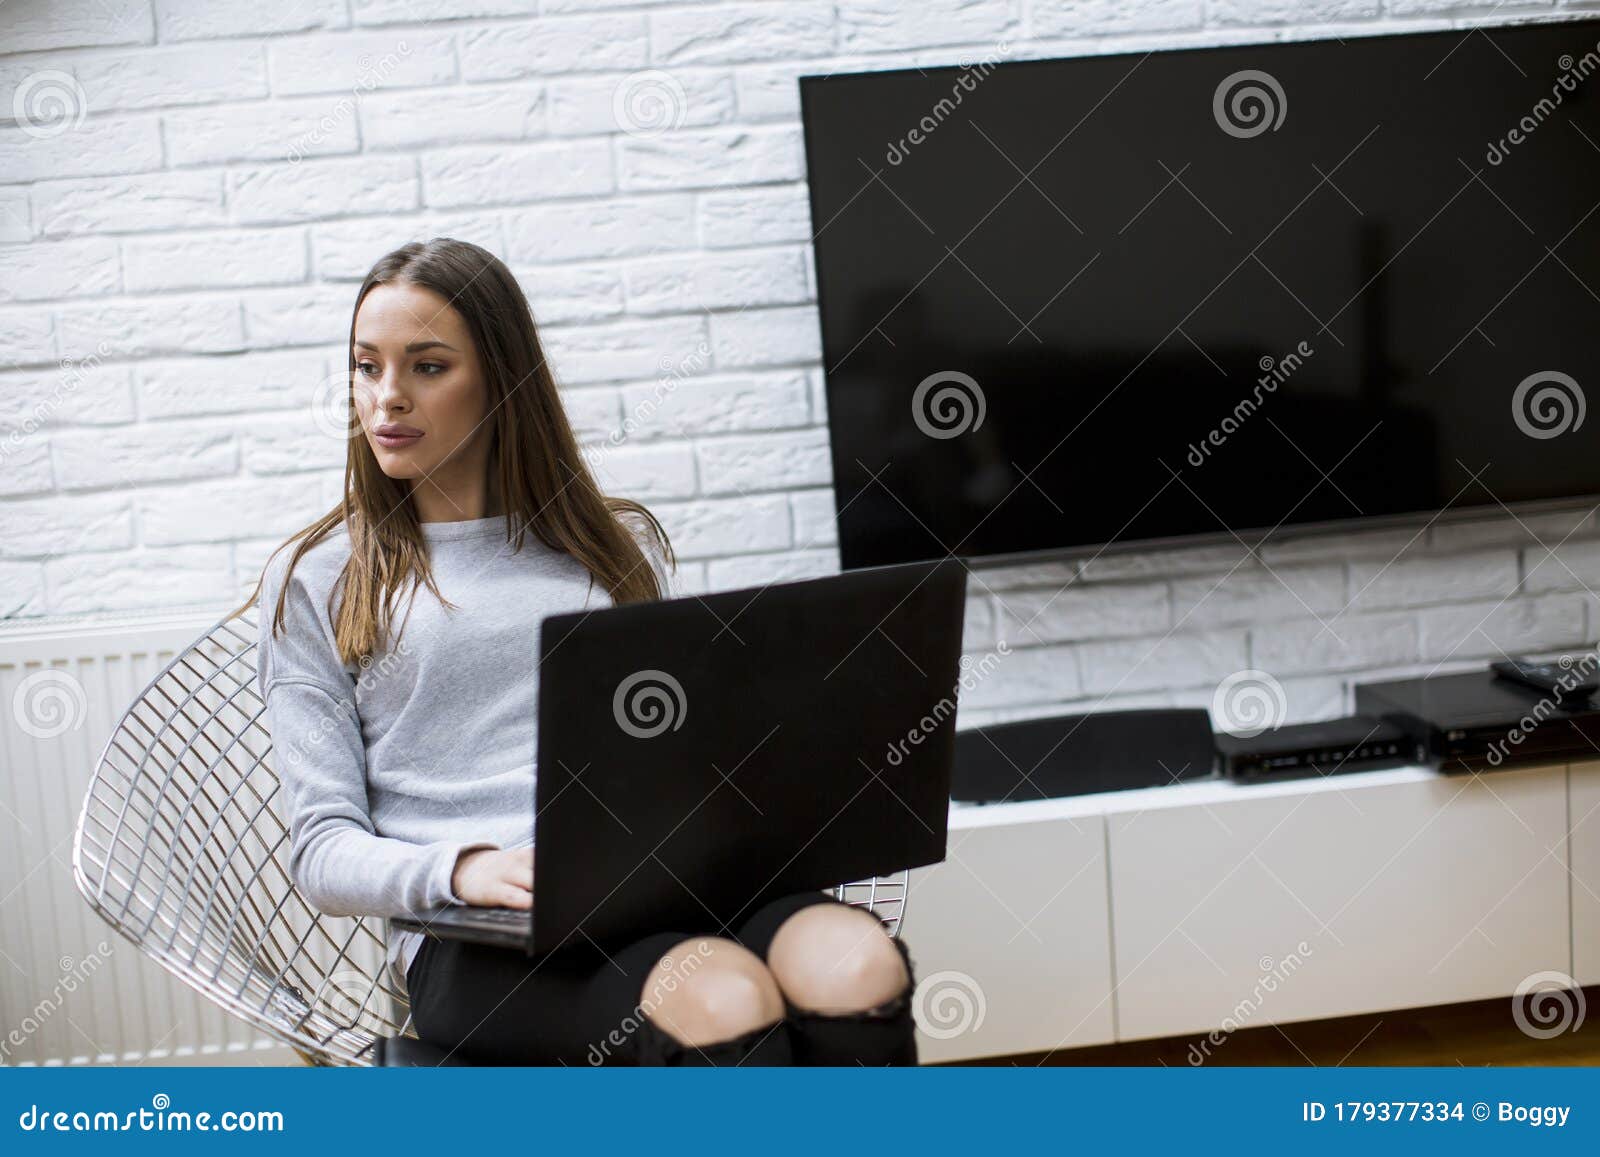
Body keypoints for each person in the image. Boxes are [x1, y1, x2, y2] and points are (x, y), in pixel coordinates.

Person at [239, 237, 919, 1065]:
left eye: (425, 366)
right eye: (365, 366)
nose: (386, 398)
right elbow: (320, 850)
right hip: (480, 937)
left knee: (855, 962)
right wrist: (465, 869)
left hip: (661, 887)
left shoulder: (608, 545)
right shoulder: (319, 578)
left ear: (500, 378)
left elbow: (668, 754)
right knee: (722, 995)